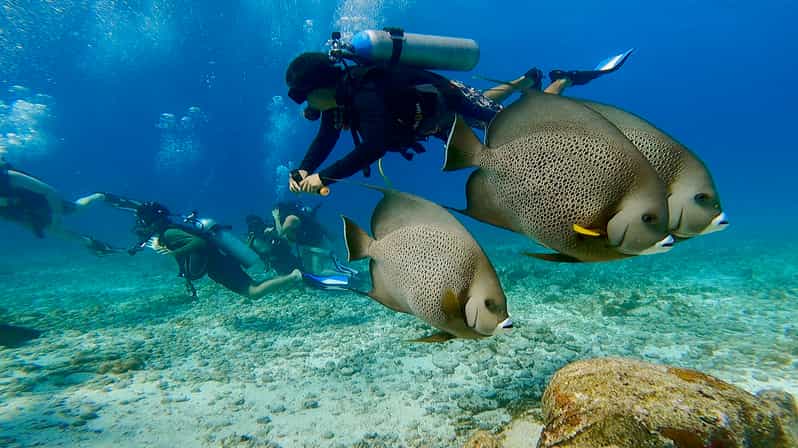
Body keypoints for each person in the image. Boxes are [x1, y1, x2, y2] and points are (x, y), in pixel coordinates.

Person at [284, 50, 627, 194]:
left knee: (522, 126)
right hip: (434, 120)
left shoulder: (364, 91)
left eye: (304, 96)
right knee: (484, 106)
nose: (307, 106)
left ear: (321, 87)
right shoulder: (338, 100)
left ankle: (561, 80)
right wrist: (303, 168)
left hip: (450, 102)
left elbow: (376, 144)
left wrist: (326, 176)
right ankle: (525, 80)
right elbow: (325, 138)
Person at [127, 200, 302, 298]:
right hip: (221, 263)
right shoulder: (171, 231)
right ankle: (287, 278)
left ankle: (293, 276)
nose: (142, 227)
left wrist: (174, 252)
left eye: (143, 223)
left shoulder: (170, 233)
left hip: (220, 266)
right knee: (253, 288)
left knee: (253, 291)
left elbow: (199, 243)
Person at [0, 158, 119, 254]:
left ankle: (99, 196)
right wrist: (27, 224)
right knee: (53, 230)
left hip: (40, 201)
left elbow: (50, 192)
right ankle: (90, 243)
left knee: (76, 209)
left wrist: (56, 216)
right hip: (16, 211)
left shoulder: (9, 177)